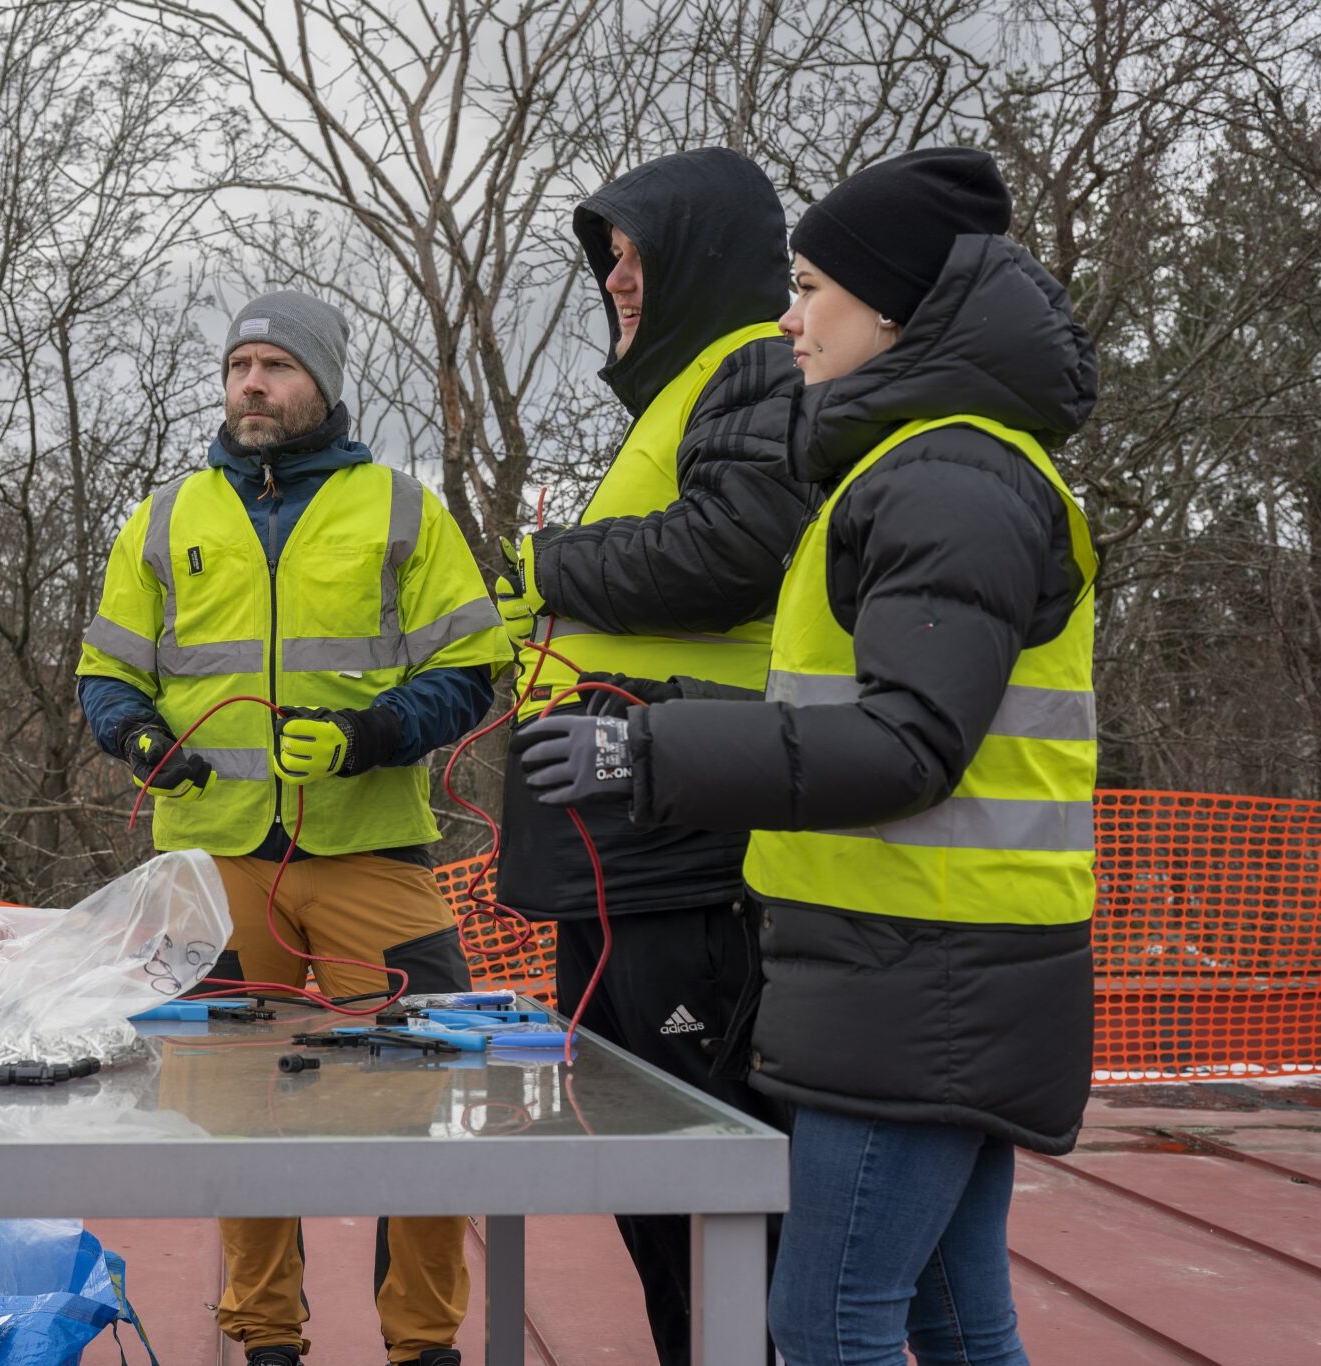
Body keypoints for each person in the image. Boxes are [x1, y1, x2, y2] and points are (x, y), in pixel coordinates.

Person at [513, 147, 1098, 1366]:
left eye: (812, 287)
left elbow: (908, 742)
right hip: (922, 961)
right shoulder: (922, 462)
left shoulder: (947, 474)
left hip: (916, 973)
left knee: (822, 1321)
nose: (786, 318)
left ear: (897, 306)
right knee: (946, 1317)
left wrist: (647, 747)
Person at [76, 290, 511, 1366]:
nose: (252, 385)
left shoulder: (402, 508)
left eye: (274, 365)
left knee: (430, 1089)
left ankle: (423, 1344)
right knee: (236, 1108)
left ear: (320, 381)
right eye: (238, 367)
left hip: (368, 851)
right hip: (215, 864)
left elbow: (469, 669)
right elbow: (104, 673)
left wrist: (370, 732)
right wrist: (139, 742)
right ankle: (263, 1338)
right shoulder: (165, 516)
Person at [488, 146, 805, 1364]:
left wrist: (549, 565)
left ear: (699, 252)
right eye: (606, 260)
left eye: (632, 254)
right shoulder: (691, 395)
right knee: (648, 1182)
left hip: (686, 852)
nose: (616, 280)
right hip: (624, 858)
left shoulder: (751, 363)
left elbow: (739, 547)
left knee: (707, 1180)